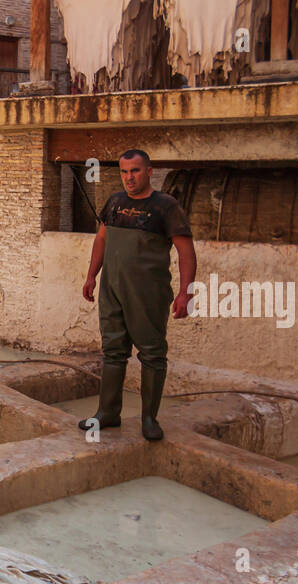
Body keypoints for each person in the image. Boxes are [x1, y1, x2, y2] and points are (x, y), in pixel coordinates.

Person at [80, 148, 196, 441]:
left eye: (134, 171)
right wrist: (92, 275)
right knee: (113, 351)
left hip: (148, 293)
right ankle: (107, 414)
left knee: (153, 354)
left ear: (148, 171)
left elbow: (185, 251)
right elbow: (102, 239)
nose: (129, 177)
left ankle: (148, 419)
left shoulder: (166, 207)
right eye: (124, 171)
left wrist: (185, 292)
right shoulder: (115, 202)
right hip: (111, 289)